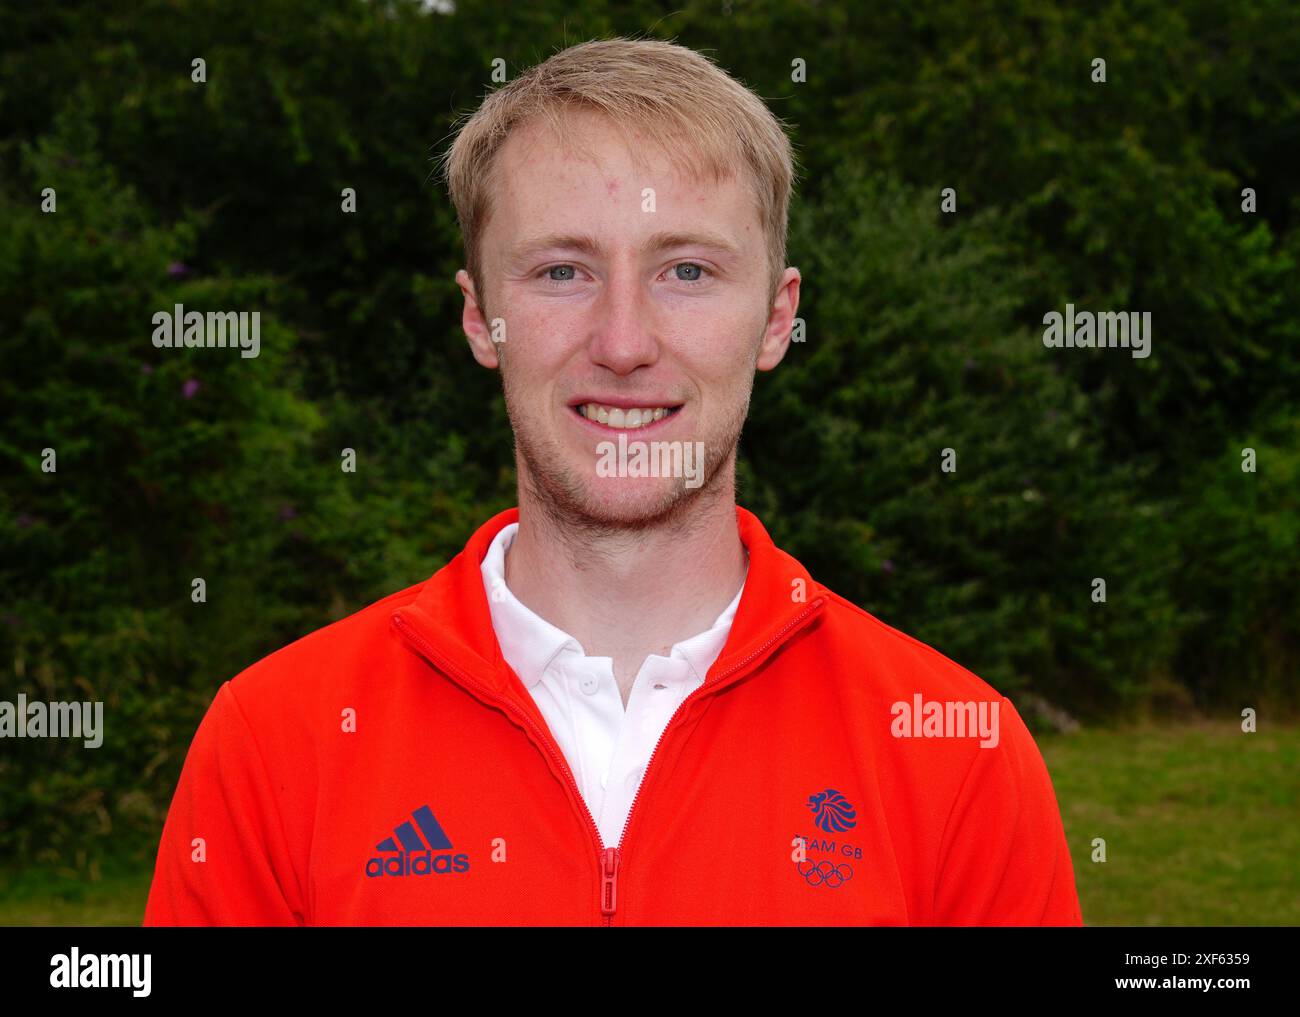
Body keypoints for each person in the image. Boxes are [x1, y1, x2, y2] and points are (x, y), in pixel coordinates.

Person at [143, 36, 1083, 926]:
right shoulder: (273, 743)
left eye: (686, 269)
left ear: (776, 318)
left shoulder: (958, 751)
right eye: (561, 270)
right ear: (480, 320)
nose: (624, 342)